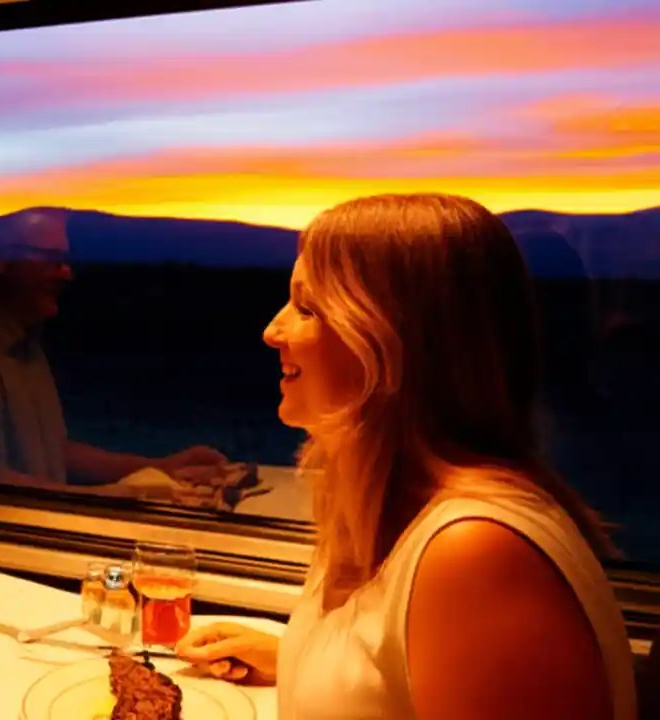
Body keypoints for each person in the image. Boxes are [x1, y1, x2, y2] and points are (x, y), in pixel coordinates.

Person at [176, 194, 636, 719]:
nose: (272, 331)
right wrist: (297, 658)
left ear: (387, 343)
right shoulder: (381, 505)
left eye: (307, 308)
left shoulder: (475, 555)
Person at [0, 207, 225, 489]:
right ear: (2, 259)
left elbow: (54, 452)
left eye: (67, 260)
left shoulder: (22, 339)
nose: (66, 274)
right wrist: (104, 502)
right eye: (52, 260)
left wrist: (161, 468)